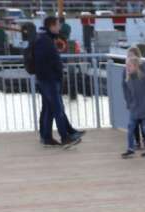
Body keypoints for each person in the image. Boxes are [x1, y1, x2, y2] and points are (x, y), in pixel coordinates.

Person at [32, 15, 84, 148]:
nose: (59, 27)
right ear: (51, 26)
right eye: (57, 25)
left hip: (48, 80)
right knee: (57, 109)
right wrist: (53, 75)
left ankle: (47, 137)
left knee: (49, 109)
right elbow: (43, 62)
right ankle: (65, 138)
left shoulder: (45, 38)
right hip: (49, 80)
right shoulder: (44, 41)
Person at [121, 46, 145, 158]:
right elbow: (125, 88)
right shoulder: (128, 78)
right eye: (126, 66)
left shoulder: (143, 78)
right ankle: (130, 149)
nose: (127, 68)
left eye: (129, 66)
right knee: (130, 127)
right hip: (134, 108)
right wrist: (129, 102)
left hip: (144, 108)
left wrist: (142, 66)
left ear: (136, 66)